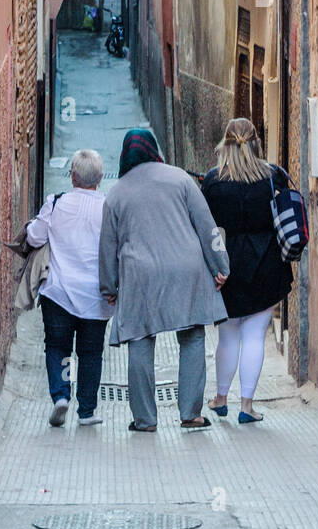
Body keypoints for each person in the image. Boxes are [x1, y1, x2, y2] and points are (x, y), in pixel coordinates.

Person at [98, 128, 229, 432]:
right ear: (153, 149)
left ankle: (145, 419)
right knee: (192, 335)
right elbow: (206, 225)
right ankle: (191, 413)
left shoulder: (116, 193)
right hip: (187, 270)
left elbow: (107, 246)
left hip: (140, 276)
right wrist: (220, 265)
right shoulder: (181, 179)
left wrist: (109, 286)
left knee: (140, 341)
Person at [200, 118, 294, 424]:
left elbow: (206, 227)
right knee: (255, 337)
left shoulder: (213, 181)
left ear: (225, 144)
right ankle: (247, 405)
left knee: (227, 337)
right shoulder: (273, 177)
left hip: (227, 268)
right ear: (256, 143)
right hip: (266, 265)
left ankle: (220, 398)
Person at [27, 148, 109, 428]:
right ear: (100, 178)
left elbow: (35, 238)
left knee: (58, 347)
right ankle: (86, 411)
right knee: (90, 353)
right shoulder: (108, 208)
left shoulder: (56, 203)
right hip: (95, 297)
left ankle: (61, 395)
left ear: (72, 176)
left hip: (58, 292)